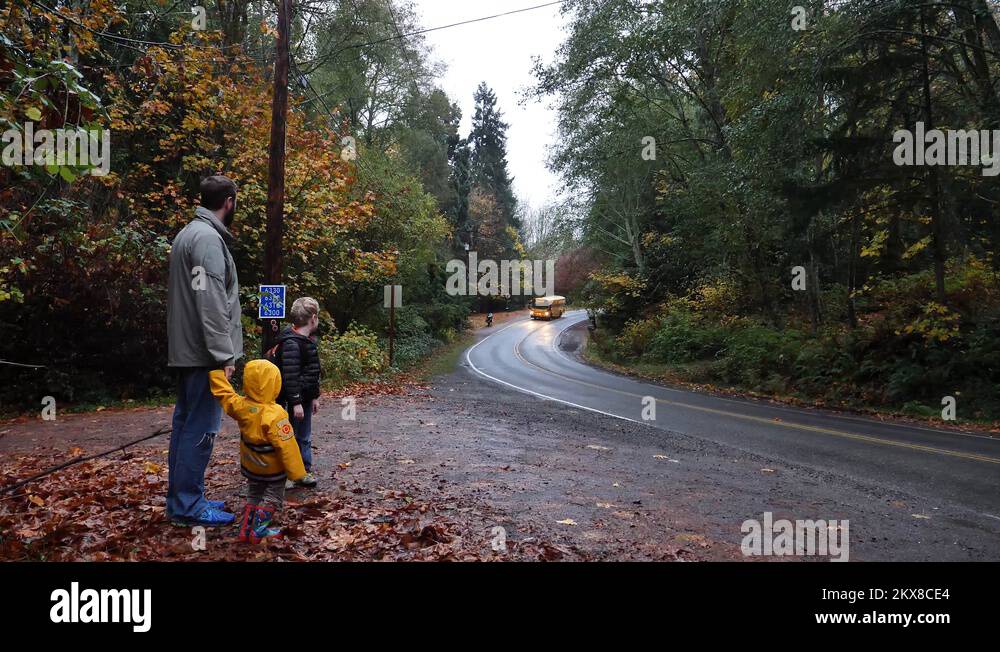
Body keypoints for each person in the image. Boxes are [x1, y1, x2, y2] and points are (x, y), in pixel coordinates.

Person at [166, 175, 243, 527]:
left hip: (187, 350)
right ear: (229, 202)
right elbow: (211, 303)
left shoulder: (187, 234)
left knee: (185, 426)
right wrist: (223, 355)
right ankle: (188, 506)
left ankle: (183, 499)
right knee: (201, 429)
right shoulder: (209, 239)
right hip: (203, 354)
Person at [209, 360, 307, 543]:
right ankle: (258, 531)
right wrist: (297, 473)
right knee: (272, 498)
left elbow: (226, 396)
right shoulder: (276, 414)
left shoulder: (241, 406)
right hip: (273, 470)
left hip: (252, 466)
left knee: (254, 493)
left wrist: (216, 374)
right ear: (275, 383)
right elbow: (288, 447)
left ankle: (245, 529)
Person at [275, 297, 322, 489]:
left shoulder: (307, 341)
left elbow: (313, 372)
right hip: (293, 400)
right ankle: (288, 473)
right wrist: (295, 402)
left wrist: (315, 396)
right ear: (313, 318)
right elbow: (290, 375)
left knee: (304, 435)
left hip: (305, 397)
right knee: (289, 436)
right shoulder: (292, 343)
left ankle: (303, 470)